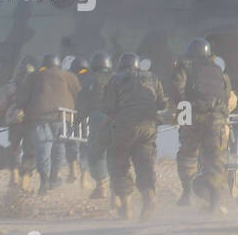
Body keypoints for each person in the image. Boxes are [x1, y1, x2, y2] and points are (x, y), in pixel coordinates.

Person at [172, 38, 234, 213]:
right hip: (216, 118)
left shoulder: (184, 68)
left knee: (187, 155)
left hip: (191, 114)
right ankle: (214, 202)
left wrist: (183, 109)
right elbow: (226, 94)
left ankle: (187, 193)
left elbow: (177, 90)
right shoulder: (218, 70)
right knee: (215, 159)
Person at [102, 53, 167, 219]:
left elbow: (109, 107)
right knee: (145, 163)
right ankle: (149, 197)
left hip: (125, 125)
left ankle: (126, 207)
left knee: (119, 163)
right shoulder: (152, 77)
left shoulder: (116, 79)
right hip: (149, 125)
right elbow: (161, 103)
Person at [14, 54, 80, 193]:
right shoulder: (68, 76)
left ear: (44, 65)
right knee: (59, 147)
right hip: (62, 116)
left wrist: (19, 109)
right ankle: (54, 178)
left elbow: (23, 97)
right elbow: (79, 94)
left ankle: (44, 181)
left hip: (39, 116)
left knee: (43, 148)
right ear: (58, 65)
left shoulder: (34, 76)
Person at [76, 51, 114, 199]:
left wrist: (79, 117)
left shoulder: (89, 81)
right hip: (117, 118)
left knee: (97, 152)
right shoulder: (117, 79)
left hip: (97, 119)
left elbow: (82, 102)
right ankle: (118, 188)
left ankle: (102, 185)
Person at [0, 58, 36, 189]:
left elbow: (2, 106)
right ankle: (25, 179)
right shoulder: (36, 86)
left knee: (14, 148)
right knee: (30, 151)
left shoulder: (11, 86)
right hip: (31, 121)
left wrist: (4, 115)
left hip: (14, 121)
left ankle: (13, 174)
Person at [63, 56, 90, 183]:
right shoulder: (92, 78)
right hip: (88, 116)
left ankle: (72, 172)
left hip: (71, 114)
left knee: (71, 142)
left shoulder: (69, 79)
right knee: (86, 145)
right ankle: (84, 177)